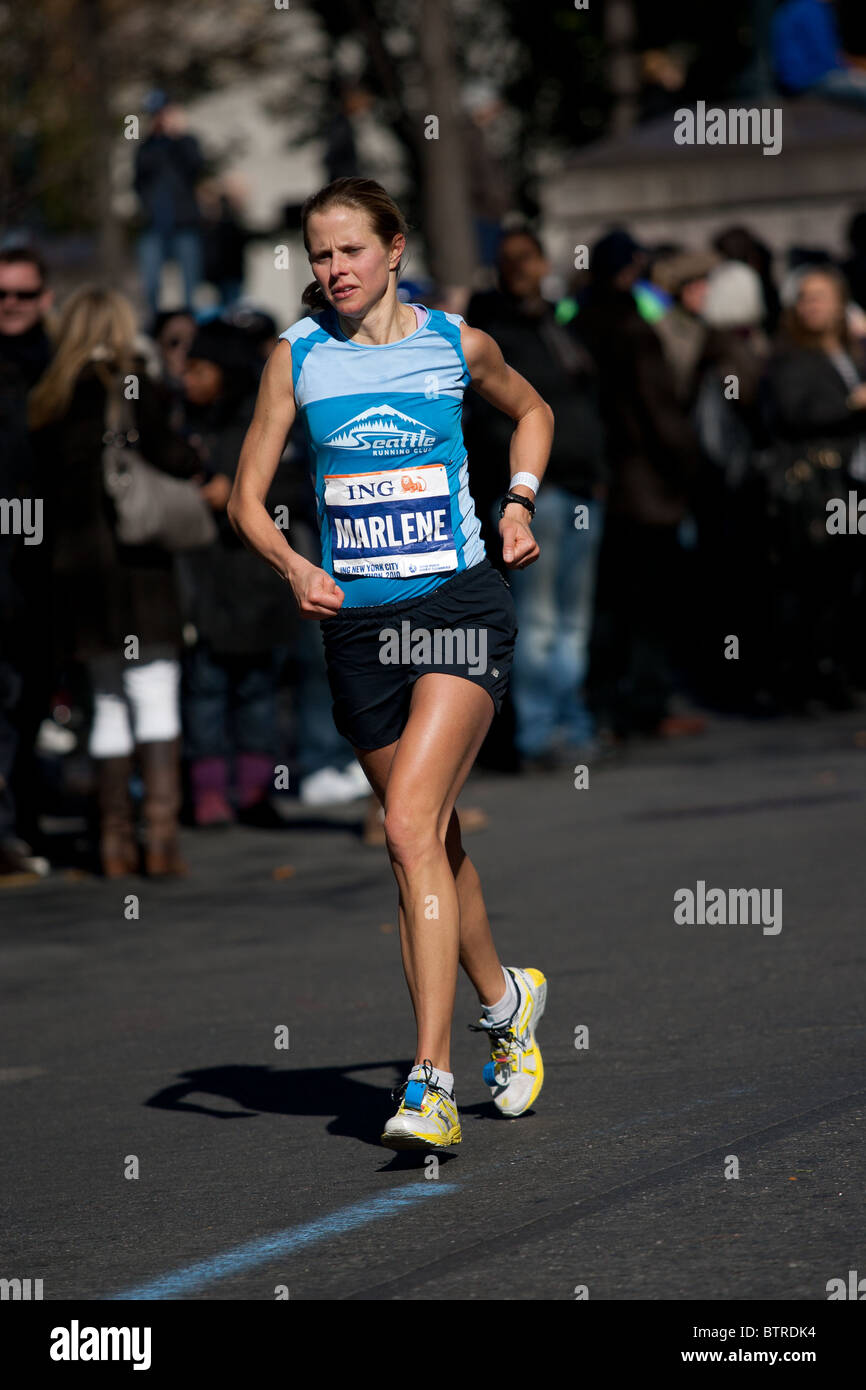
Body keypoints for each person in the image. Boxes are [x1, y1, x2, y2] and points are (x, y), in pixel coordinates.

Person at [228, 177, 554, 1150]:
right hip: (355, 631)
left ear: (394, 248)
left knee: (405, 825)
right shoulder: (295, 358)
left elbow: (531, 409)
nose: (331, 271)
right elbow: (245, 498)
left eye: (348, 251)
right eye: (317, 255)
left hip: (456, 607)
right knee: (434, 841)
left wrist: (517, 501)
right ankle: (506, 1003)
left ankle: (429, 1081)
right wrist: (294, 563)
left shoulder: (454, 343)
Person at [28, 287, 206, 877]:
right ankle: (160, 839)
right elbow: (170, 455)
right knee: (153, 692)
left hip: (75, 570)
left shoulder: (50, 393)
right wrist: (197, 458)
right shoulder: (130, 381)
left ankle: (112, 844)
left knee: (106, 701)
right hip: (137, 564)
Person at [465, 228, 607, 767]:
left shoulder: (558, 322)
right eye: (513, 259)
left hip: (580, 487)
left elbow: (583, 406)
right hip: (534, 494)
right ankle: (539, 733)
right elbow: (499, 418)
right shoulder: (493, 331)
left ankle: (573, 726)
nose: (525, 267)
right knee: (542, 620)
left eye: (532, 257)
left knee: (573, 620)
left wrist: (596, 468)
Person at [760, 266, 866, 708]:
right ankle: (804, 679)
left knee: (846, 582)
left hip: (850, 482)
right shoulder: (790, 357)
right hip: (816, 488)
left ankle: (835, 672)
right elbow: (790, 413)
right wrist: (850, 403)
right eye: (805, 297)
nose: (813, 305)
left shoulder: (845, 352)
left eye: (822, 296)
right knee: (812, 583)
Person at [0, 245, 55, 878]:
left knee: (33, 700)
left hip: (48, 568)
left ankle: (28, 822)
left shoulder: (59, 369)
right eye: (1, 295)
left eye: (22, 294)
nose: (11, 305)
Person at [134, 94, 204, 318]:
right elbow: (138, 179)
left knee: (190, 285)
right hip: (154, 225)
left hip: (184, 224)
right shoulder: (146, 147)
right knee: (151, 284)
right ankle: (156, 324)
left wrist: (178, 135)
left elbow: (195, 167)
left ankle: (191, 324)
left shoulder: (186, 142)